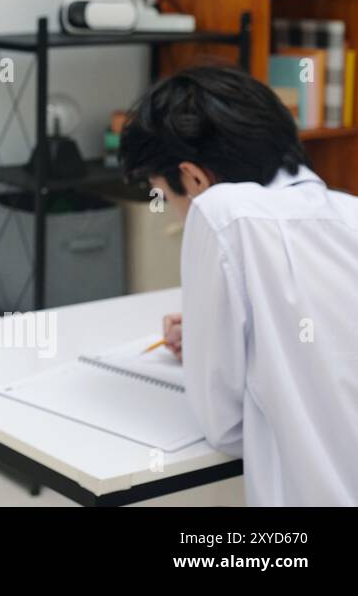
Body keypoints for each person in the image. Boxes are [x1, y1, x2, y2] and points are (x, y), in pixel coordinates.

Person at [119, 63, 358, 506]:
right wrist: (221, 337)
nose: (173, 211)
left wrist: (215, 347)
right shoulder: (349, 212)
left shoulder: (221, 211)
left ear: (193, 178)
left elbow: (225, 428)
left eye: (166, 197)